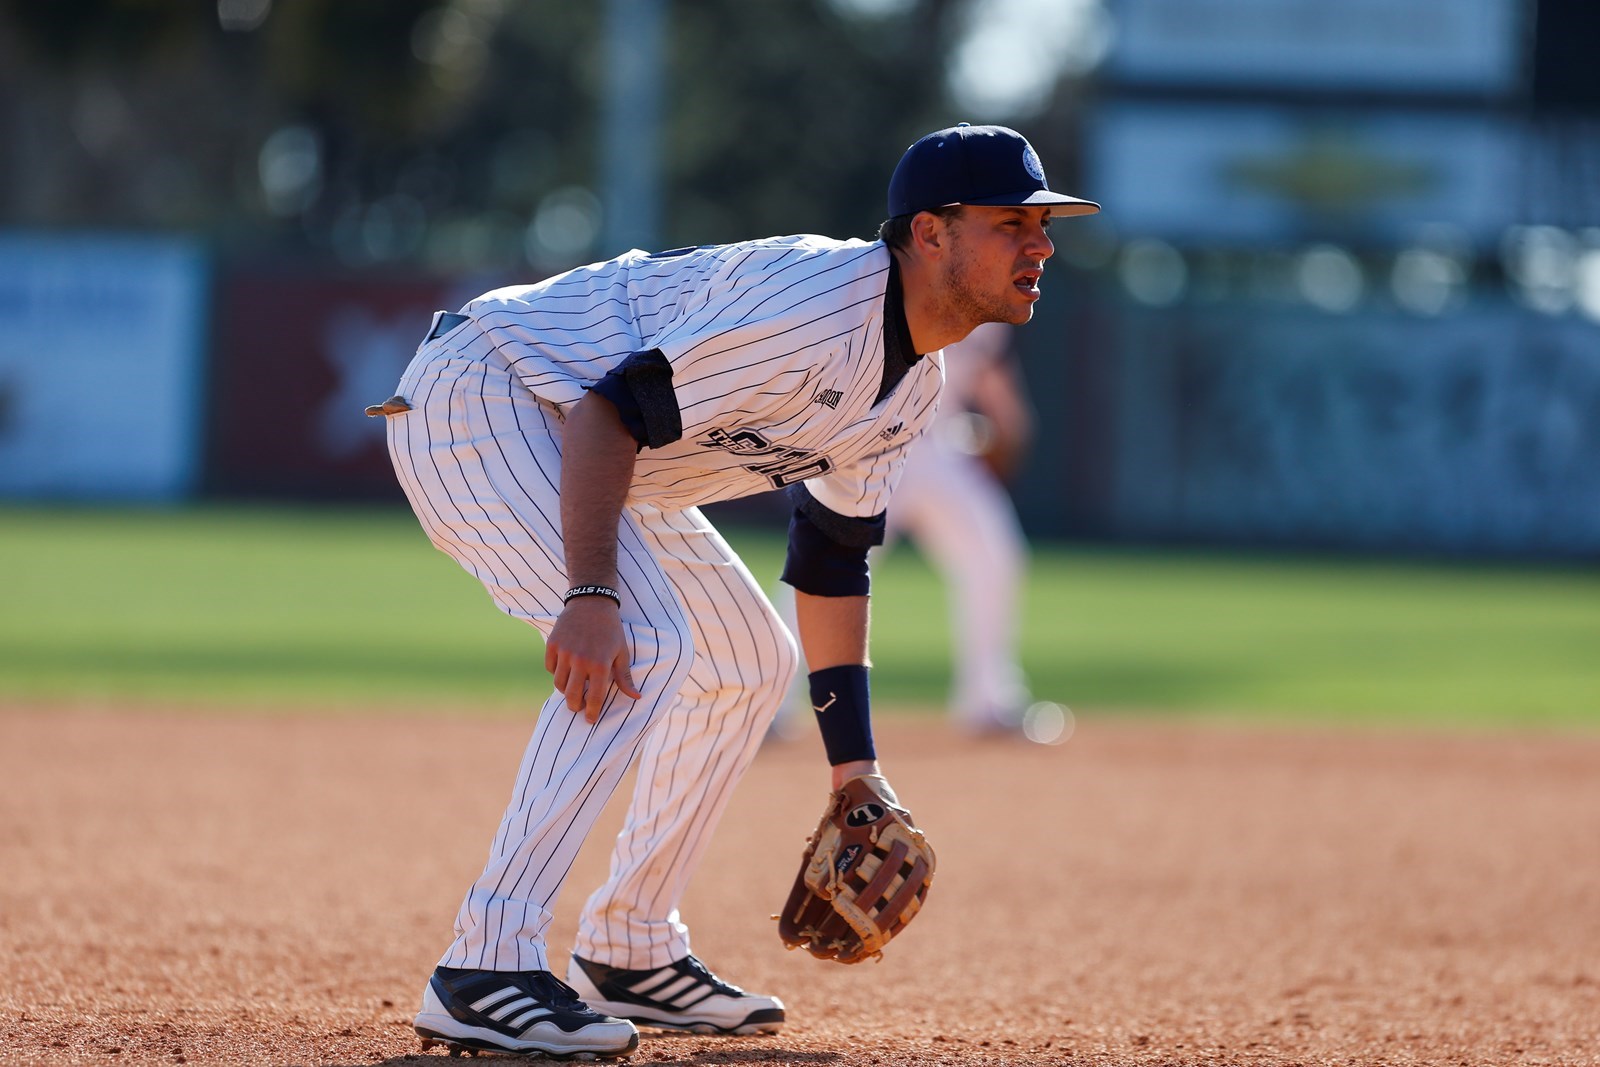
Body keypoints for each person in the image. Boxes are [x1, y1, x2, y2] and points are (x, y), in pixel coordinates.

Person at [369, 123, 1098, 1059]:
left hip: (595, 451)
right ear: (930, 233)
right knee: (657, 638)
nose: (1041, 243)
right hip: (488, 397)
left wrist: (854, 770)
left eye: (1044, 223)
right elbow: (606, 408)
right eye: (1014, 222)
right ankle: (484, 964)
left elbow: (833, 557)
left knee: (753, 658)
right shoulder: (816, 309)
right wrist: (591, 592)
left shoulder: (916, 383)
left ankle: (629, 944)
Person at [883, 320, 1037, 734]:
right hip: (872, 448)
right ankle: (772, 701)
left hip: (940, 451)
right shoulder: (900, 274)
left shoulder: (992, 312)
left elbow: (995, 386)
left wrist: (1010, 424)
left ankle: (989, 702)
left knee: (995, 560)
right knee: (822, 564)